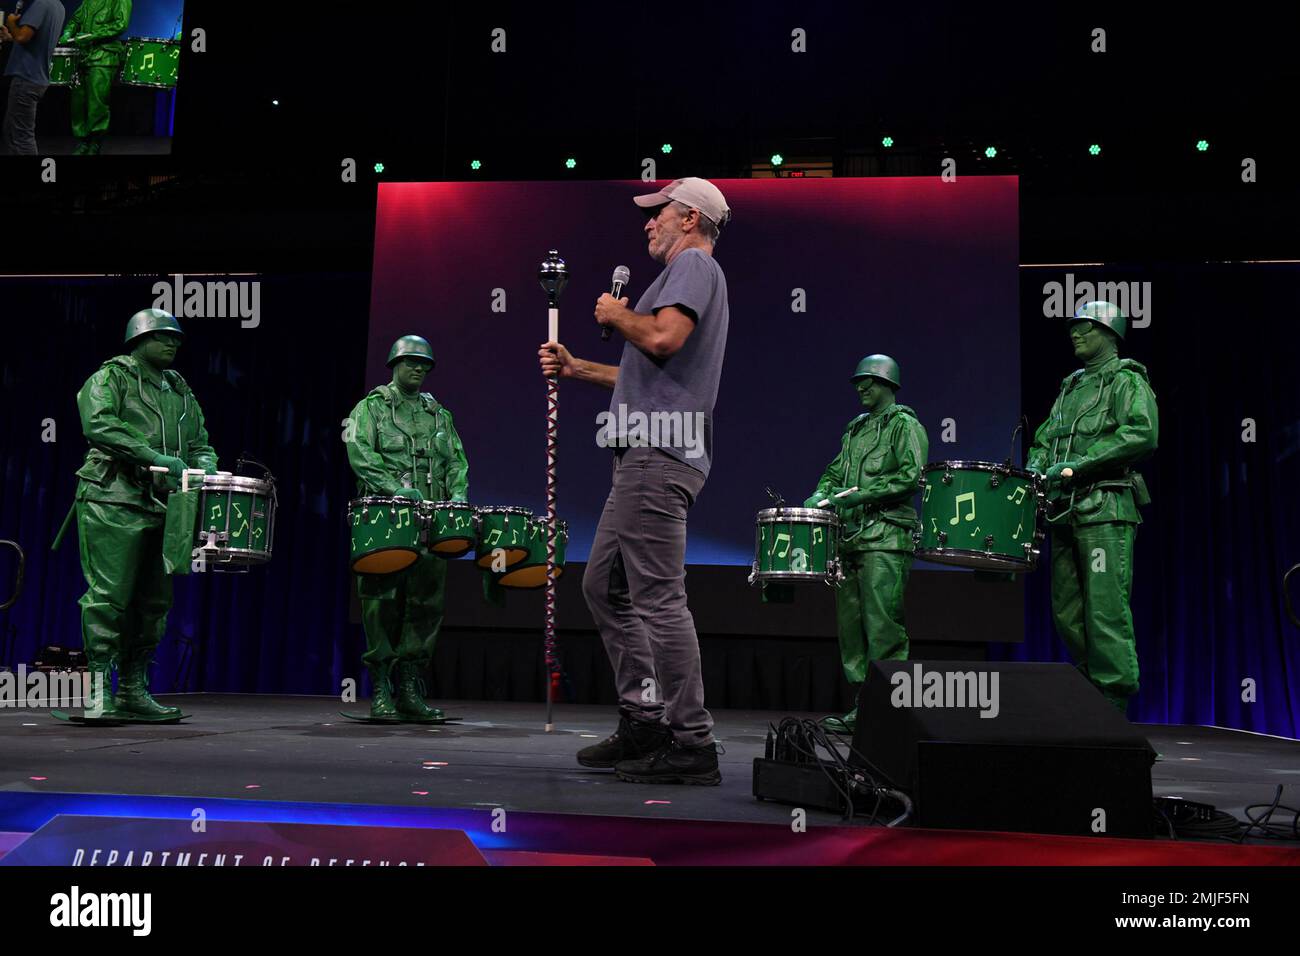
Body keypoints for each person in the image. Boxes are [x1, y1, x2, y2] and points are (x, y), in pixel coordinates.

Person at [538, 177, 731, 785]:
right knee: (604, 587)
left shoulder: (693, 267)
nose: (649, 224)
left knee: (657, 600)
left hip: (657, 455)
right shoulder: (685, 275)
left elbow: (664, 336)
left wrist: (617, 312)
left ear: (691, 220)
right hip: (644, 454)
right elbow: (645, 368)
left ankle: (692, 740)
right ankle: (645, 718)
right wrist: (576, 367)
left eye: (660, 215)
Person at [74, 309, 218, 720]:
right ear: (138, 338)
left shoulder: (180, 389)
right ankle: (99, 689)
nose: (172, 343)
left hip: (168, 505)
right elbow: (99, 424)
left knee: (154, 601)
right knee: (109, 595)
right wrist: (152, 456)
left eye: (176, 338)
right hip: (113, 497)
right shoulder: (112, 377)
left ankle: (134, 689)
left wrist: (204, 465)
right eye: (162, 336)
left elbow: (200, 442)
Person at [1026, 301, 1158, 713]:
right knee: (1065, 608)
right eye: (1073, 329)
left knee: (1105, 606)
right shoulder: (1071, 386)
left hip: (1105, 507)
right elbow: (1046, 438)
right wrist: (1034, 467)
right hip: (1065, 511)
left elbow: (1141, 433)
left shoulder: (1126, 379)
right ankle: (1091, 686)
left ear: (1110, 332)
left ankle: (1114, 695)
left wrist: (1081, 464)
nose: (1076, 335)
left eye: (1086, 328)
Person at [803, 355, 929, 733]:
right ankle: (862, 707)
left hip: (886, 538)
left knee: (883, 628)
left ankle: (888, 711)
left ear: (888, 384)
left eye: (869, 381)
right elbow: (836, 470)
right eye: (859, 381)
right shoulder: (856, 429)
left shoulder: (905, 426)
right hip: (851, 540)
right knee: (851, 628)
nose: (861, 387)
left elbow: (911, 478)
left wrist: (855, 498)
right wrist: (821, 492)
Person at [346, 335, 468, 720]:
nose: (418, 368)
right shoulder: (371, 409)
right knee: (381, 602)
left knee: (425, 604)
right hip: (385, 520)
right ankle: (381, 688)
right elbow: (360, 454)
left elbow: (456, 462)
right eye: (411, 362)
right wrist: (395, 488)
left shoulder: (438, 414)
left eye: (424, 364)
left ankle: (410, 689)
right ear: (394, 365)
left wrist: (458, 499)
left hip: (431, 523)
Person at [57, 0, 129, 155]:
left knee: (97, 102)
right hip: (82, 56)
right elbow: (76, 19)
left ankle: (95, 143)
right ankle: (82, 142)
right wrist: (68, 32)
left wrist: (93, 36)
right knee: (78, 102)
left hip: (104, 55)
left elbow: (121, 24)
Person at [1, 0, 66, 155]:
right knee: (11, 132)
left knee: (22, 137)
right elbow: (37, 39)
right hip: (36, 78)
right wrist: (10, 37)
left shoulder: (41, 4)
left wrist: (11, 23)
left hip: (27, 78)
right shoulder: (58, 6)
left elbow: (23, 37)